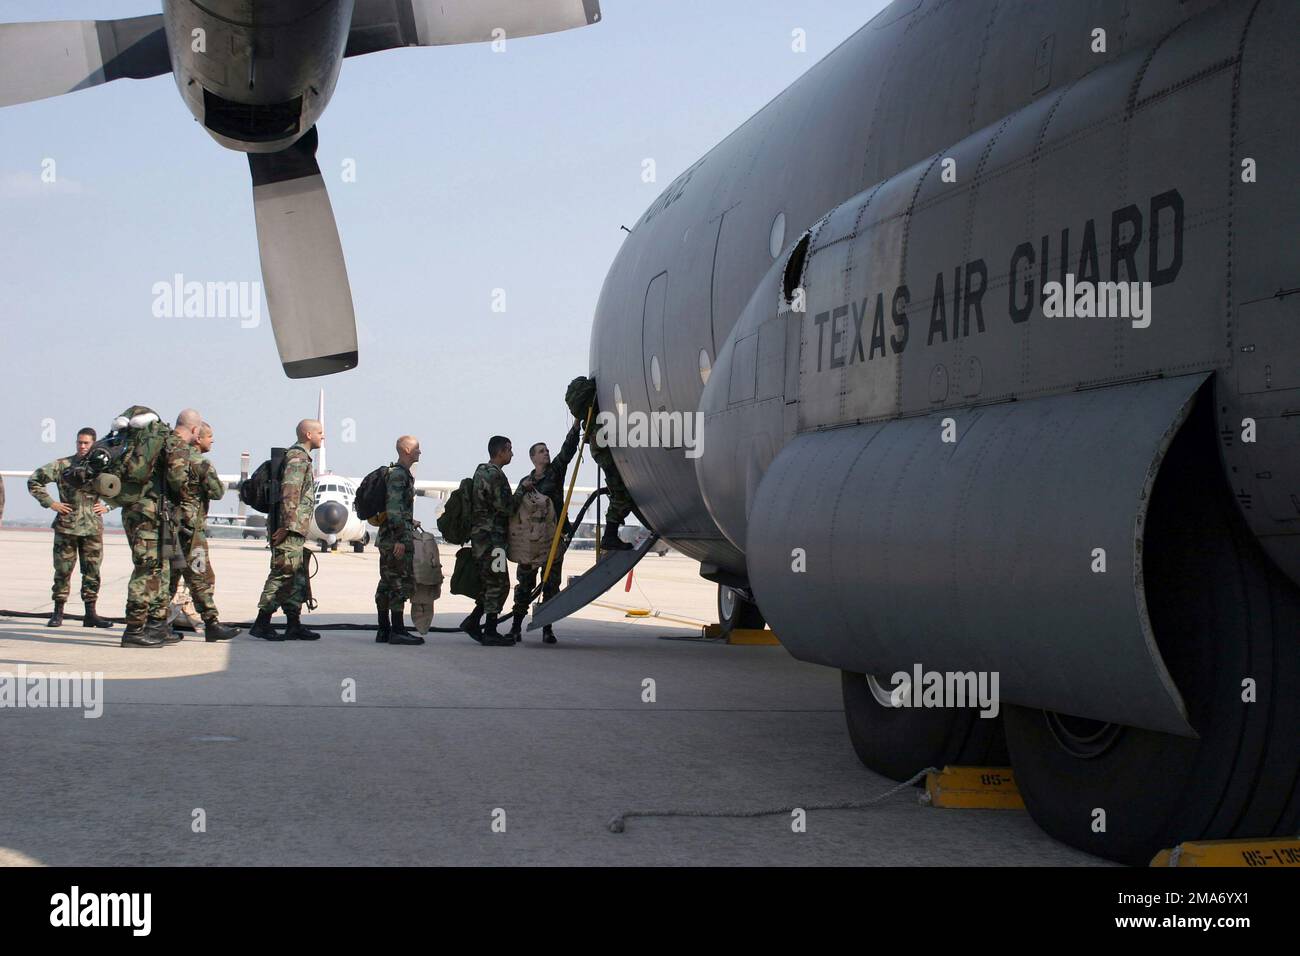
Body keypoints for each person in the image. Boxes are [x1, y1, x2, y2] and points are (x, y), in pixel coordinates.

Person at [26, 427, 115, 628]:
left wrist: (109, 506)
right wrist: (51, 503)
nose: (82, 446)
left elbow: (121, 486)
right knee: (63, 571)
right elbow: (35, 480)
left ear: (94, 444)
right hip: (66, 527)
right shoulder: (62, 465)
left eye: (86, 443)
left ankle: (90, 614)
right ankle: (58, 612)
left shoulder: (103, 467)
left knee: (92, 571)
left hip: (92, 528)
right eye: (79, 442)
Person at [116, 406, 189, 648]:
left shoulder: (131, 443)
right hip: (153, 513)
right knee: (147, 570)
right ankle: (134, 630)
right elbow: (178, 478)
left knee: (162, 569)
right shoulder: (166, 440)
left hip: (136, 511)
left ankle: (157, 627)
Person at [507, 420, 581, 643]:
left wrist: (576, 426)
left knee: (551, 586)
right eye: (541, 451)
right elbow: (514, 509)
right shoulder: (525, 482)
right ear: (533, 458)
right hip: (530, 542)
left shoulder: (555, 473)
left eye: (547, 450)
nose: (546, 453)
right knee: (525, 585)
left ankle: (547, 628)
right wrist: (523, 489)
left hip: (553, 539)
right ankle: (516, 626)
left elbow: (567, 452)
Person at [166, 422, 239, 641]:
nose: (212, 441)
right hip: (191, 530)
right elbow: (216, 492)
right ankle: (211, 623)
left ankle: (158, 623)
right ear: (198, 438)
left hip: (170, 527)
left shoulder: (170, 459)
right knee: (201, 576)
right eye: (209, 437)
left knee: (169, 577)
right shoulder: (200, 462)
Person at [250, 419, 322, 641]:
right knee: (282, 573)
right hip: (289, 529)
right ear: (308, 435)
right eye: (320, 432)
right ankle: (261, 623)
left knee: (296, 576)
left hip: (294, 529)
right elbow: (289, 493)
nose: (323, 436)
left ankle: (293, 623)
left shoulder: (300, 458)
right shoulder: (298, 458)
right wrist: (286, 526)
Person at [463, 435, 518, 646]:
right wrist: (521, 492)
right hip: (493, 540)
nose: (512, 454)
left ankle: (474, 621)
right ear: (501, 451)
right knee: (499, 584)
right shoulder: (496, 476)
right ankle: (491, 631)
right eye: (510, 450)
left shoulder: (480, 472)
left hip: (480, 538)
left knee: (489, 584)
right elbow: (507, 508)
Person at [375, 435, 423, 646]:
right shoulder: (399, 475)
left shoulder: (399, 474)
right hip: (395, 538)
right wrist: (400, 540)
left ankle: (384, 629)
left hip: (389, 536)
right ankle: (397, 630)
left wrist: (408, 520)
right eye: (416, 449)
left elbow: (396, 509)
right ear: (406, 450)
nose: (420, 452)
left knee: (386, 583)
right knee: (397, 583)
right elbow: (394, 509)